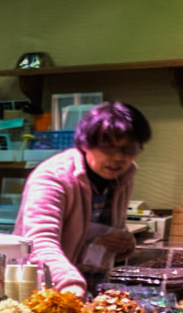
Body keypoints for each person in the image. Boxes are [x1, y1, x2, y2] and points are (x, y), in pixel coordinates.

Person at [15, 100, 148, 296]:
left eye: (129, 150)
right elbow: (39, 242)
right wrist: (69, 285)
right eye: (108, 148)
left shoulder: (123, 176)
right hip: (47, 290)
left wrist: (125, 244)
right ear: (85, 144)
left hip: (95, 285)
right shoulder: (53, 176)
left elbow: (98, 227)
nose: (119, 158)